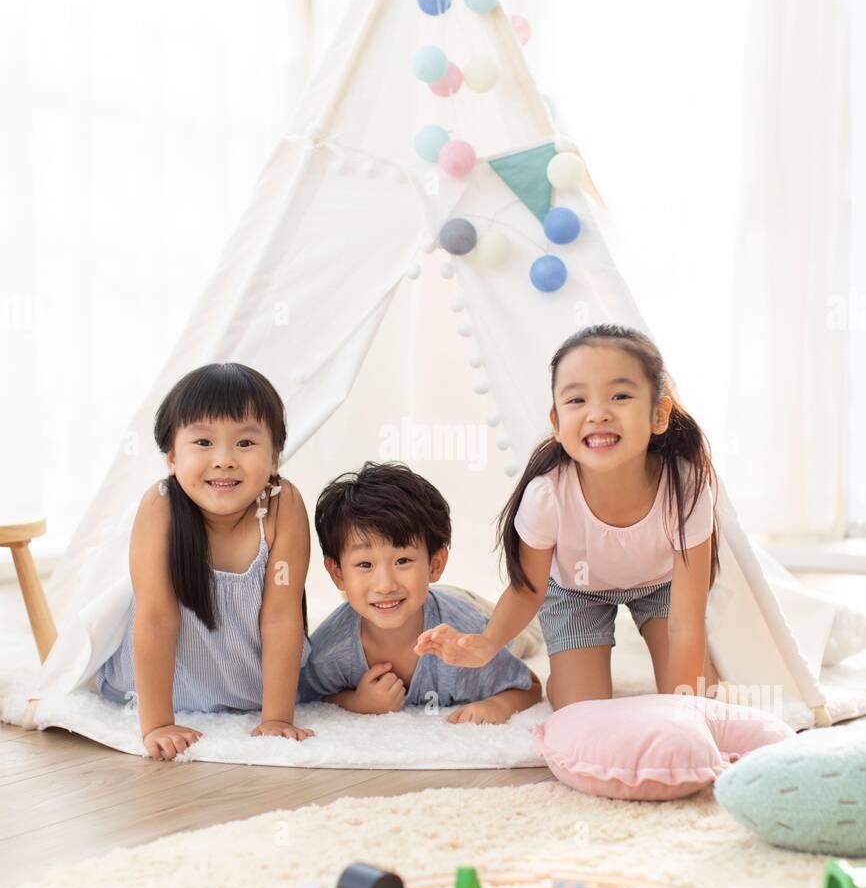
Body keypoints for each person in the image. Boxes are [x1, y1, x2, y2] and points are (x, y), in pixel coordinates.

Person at [416, 324, 720, 710]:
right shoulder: (547, 495)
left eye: (620, 395)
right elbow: (528, 589)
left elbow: (686, 622)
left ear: (660, 415)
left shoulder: (685, 484)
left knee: (698, 695)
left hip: (662, 587)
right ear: (556, 422)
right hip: (576, 592)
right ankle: (565, 676)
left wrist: (690, 712)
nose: (598, 414)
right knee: (581, 708)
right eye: (577, 400)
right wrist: (486, 644)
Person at [95, 362, 314, 759]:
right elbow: (156, 617)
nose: (224, 459)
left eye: (246, 444)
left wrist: (277, 717)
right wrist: (158, 723)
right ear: (171, 457)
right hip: (170, 679)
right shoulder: (159, 506)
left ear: (275, 457)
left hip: (249, 683)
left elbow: (282, 615)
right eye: (203, 443)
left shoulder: (284, 506)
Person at [298, 461, 541, 723]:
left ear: (435, 565)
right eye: (365, 565)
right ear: (338, 574)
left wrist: (498, 705)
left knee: (524, 638)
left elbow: (529, 686)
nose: (385, 584)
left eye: (402, 561)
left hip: (467, 605)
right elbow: (306, 692)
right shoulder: (332, 648)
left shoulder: (465, 636)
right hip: (415, 597)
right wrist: (355, 701)